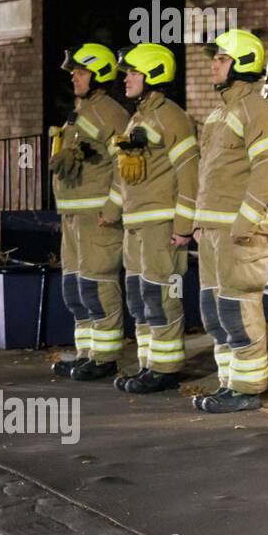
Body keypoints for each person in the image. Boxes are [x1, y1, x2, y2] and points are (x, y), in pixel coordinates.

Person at [189, 29, 268, 414]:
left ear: (241, 64)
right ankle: (228, 382)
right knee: (215, 309)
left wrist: (246, 219)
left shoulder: (257, 110)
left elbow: (267, 169)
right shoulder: (219, 113)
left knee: (238, 307)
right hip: (213, 231)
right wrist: (198, 221)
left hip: (238, 232)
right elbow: (208, 173)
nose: (214, 65)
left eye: (221, 59)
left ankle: (246, 387)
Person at [103, 42, 199, 394]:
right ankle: (148, 364)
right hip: (136, 224)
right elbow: (123, 172)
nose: (126, 79)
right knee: (139, 297)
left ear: (153, 74)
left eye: (132, 72)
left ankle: (165, 367)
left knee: (162, 297)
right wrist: (113, 211)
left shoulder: (171, 116)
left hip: (161, 226)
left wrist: (184, 227)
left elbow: (190, 173)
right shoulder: (139, 116)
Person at [49, 43, 130, 381]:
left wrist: (113, 207)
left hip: (97, 218)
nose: (74, 78)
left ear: (99, 74)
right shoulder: (81, 111)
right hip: (73, 217)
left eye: (80, 72)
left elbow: (125, 166)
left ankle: (105, 357)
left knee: (98, 286)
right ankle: (86, 352)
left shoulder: (111, 114)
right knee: (76, 288)